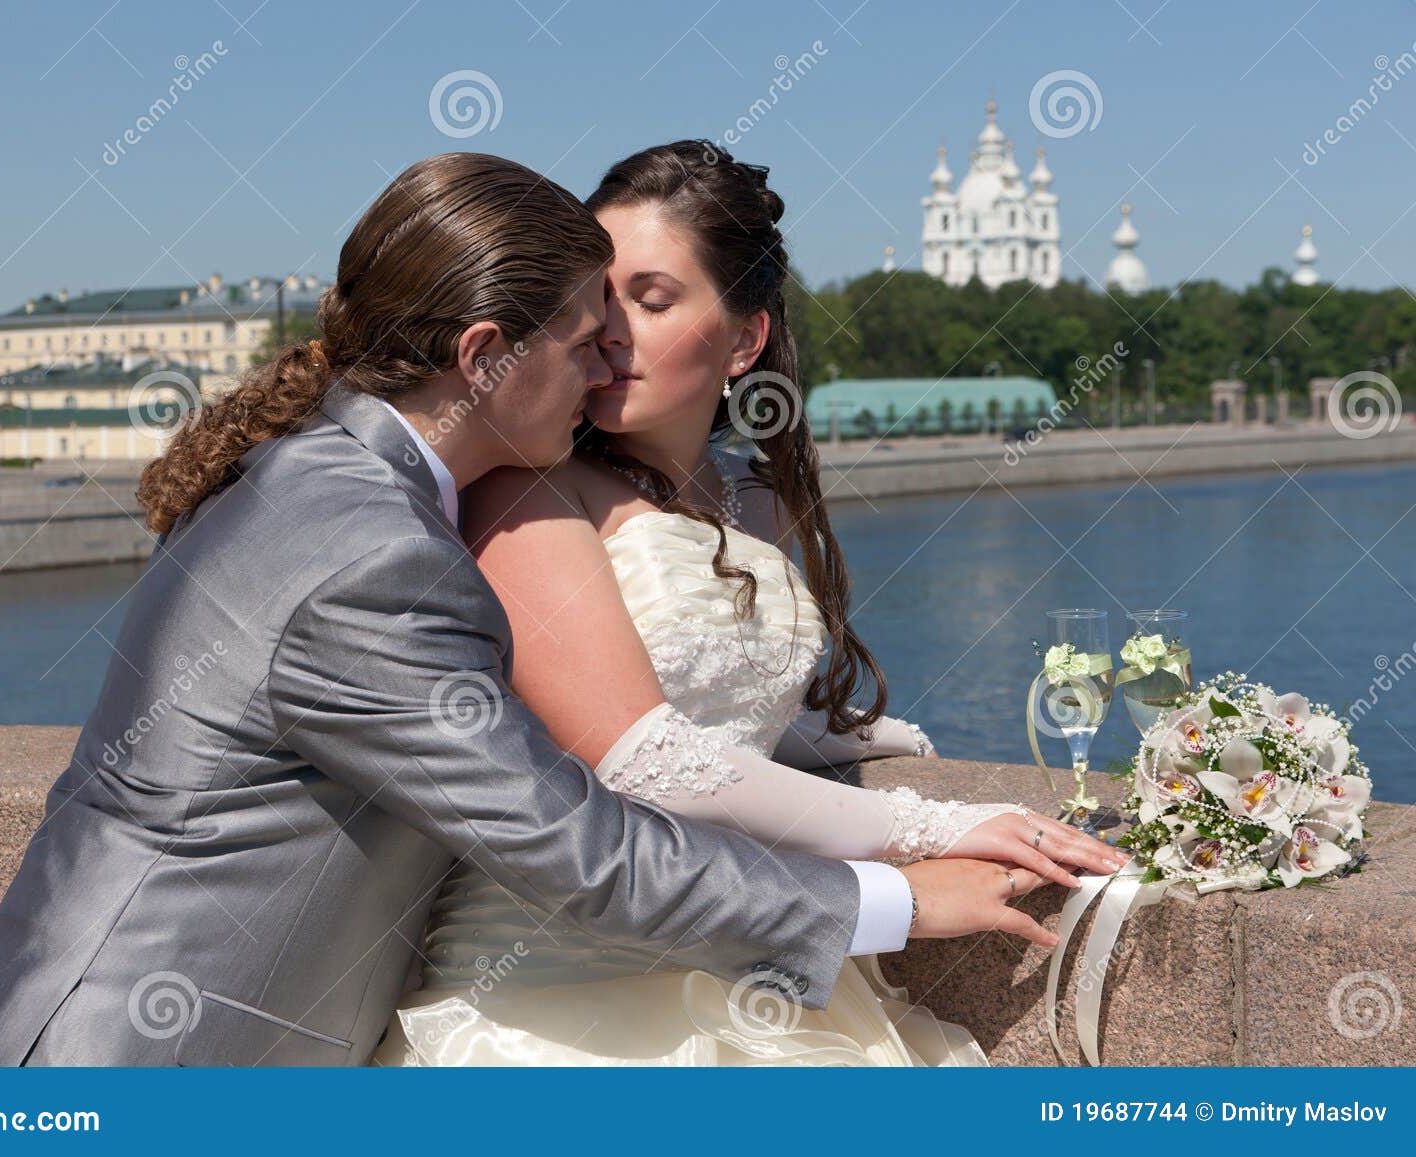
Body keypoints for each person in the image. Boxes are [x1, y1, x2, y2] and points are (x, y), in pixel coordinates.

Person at [0, 152, 1065, 1068]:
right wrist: (891, 896)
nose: (601, 366)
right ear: (483, 357)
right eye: (581, 341)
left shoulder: (343, 490)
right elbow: (574, 841)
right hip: (139, 1055)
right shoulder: (368, 544)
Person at [374, 142, 1127, 1066]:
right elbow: (642, 757)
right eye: (600, 300)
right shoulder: (526, 493)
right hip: (555, 992)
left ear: (744, 339)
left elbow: (714, 702)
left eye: (651, 301)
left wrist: (840, 736)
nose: (611, 331)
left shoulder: (754, 499)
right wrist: (935, 824)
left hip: (751, 956)